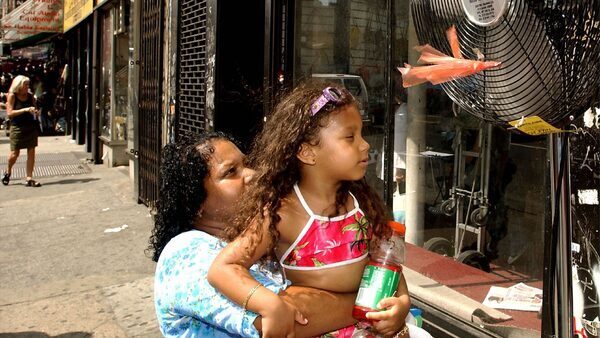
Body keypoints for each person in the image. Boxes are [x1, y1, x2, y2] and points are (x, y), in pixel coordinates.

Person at [208, 82, 425, 337]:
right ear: (307, 152)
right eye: (350, 137)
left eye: (362, 134)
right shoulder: (283, 213)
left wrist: (402, 302)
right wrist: (268, 304)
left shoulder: (360, 202)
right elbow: (222, 268)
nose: (365, 145)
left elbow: (385, 262)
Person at [150, 132, 357, 337]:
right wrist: (367, 301)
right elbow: (288, 315)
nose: (252, 175)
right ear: (196, 203)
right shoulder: (185, 254)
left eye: (246, 163)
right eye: (231, 172)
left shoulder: (257, 239)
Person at [2, 75, 41, 187]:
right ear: (18, 86)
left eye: (28, 84)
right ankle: (8, 170)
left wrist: (35, 112)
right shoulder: (12, 96)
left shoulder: (30, 96)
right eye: (26, 85)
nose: (28, 87)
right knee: (15, 153)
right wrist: (25, 110)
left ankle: (29, 178)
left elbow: (34, 108)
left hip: (30, 127)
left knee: (31, 151)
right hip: (17, 127)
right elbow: (9, 113)